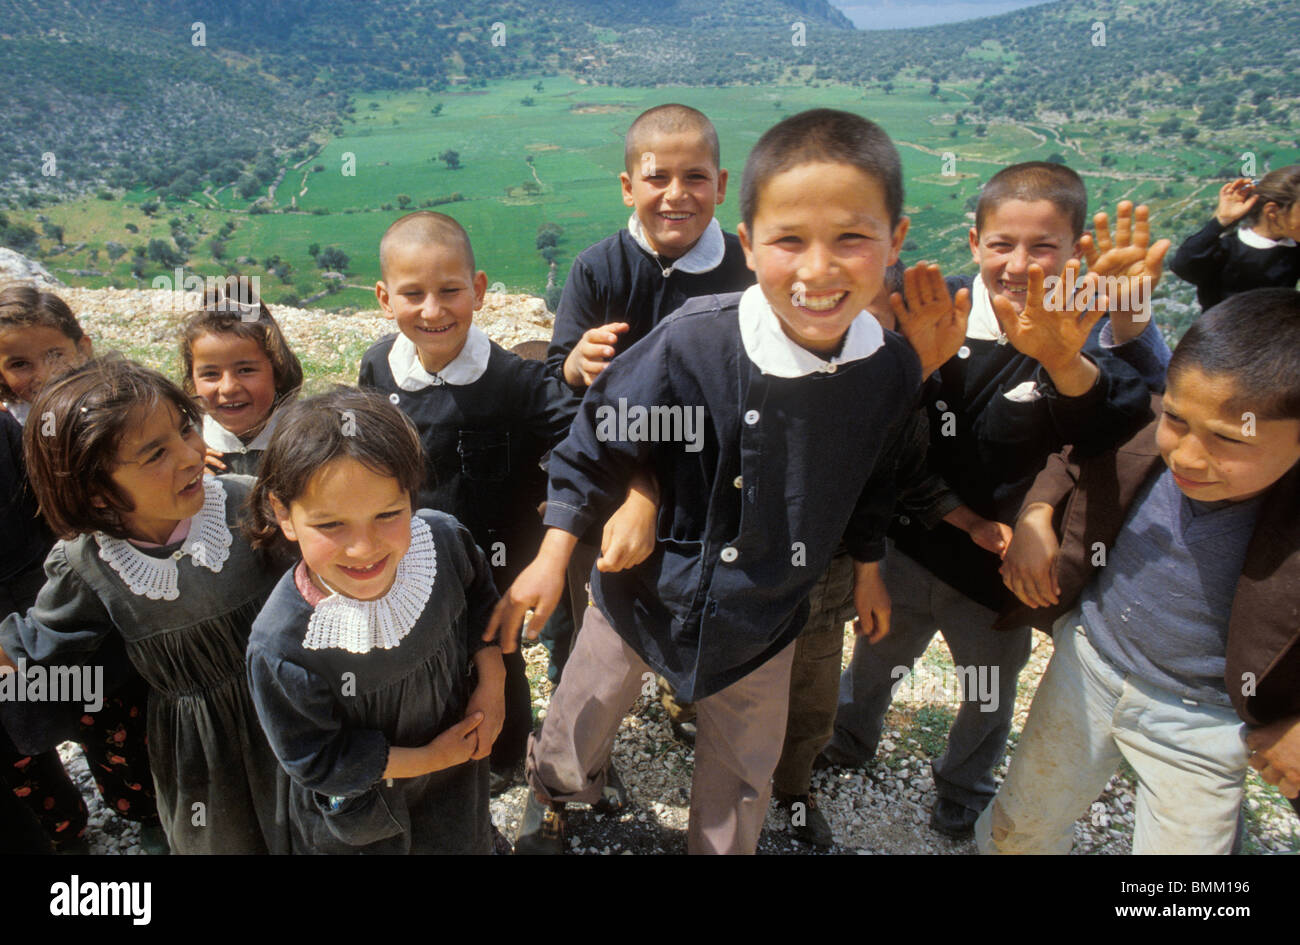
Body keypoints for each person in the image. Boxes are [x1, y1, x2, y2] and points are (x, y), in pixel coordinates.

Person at [489, 108, 930, 855]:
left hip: (765, 609)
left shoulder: (888, 369)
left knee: (742, 762)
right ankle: (556, 794)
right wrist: (555, 549)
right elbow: (598, 436)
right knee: (584, 709)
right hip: (644, 584)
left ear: (896, 239)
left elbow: (874, 473)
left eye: (851, 238)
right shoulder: (691, 340)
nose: (818, 270)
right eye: (790, 240)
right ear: (750, 245)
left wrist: (869, 567)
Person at [821, 162, 1167, 839]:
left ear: (1075, 253)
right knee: (876, 656)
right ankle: (849, 739)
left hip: (1002, 566)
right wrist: (913, 363)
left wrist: (1074, 359)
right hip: (912, 539)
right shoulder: (931, 310)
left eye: (1044, 247)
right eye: (1002, 243)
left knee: (986, 686)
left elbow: (1122, 429)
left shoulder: (1081, 326)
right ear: (974, 240)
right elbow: (871, 423)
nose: (1019, 263)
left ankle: (964, 783)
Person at [983, 287, 1300, 853]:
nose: (1188, 456)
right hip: (1089, 668)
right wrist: (1036, 514)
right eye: (1177, 419)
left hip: (1204, 721)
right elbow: (1081, 451)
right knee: (1021, 823)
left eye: (1229, 440)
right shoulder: (1144, 432)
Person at [0, 358, 290, 853]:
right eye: (156, 453)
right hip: (200, 746)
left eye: (185, 429)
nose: (190, 455)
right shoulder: (88, 564)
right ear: (94, 489)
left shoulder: (249, 504)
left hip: (287, 710)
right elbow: (38, 647)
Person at [358, 210, 581, 792]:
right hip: (409, 557)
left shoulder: (515, 382)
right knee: (428, 649)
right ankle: (440, 746)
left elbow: (583, 437)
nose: (433, 311)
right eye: (413, 294)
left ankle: (506, 755)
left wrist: (561, 509)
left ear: (478, 290)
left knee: (498, 655)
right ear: (384, 298)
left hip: (496, 563)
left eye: (450, 291)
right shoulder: (380, 366)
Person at [543, 104, 753, 721]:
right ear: (629, 186)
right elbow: (564, 398)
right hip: (606, 478)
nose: (675, 195)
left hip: (709, 487)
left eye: (695, 177)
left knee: (692, 596)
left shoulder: (748, 273)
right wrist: (572, 366)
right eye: (657, 178)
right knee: (591, 606)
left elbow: (745, 411)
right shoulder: (598, 269)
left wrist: (656, 490)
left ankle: (681, 684)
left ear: (721, 184)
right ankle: (571, 733)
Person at [245, 389, 504, 853]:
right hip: (368, 811)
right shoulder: (283, 646)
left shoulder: (442, 544)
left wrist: (493, 680)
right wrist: (427, 758)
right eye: (331, 525)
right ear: (283, 513)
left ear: (412, 495)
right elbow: (316, 759)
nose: (363, 549)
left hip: (456, 777)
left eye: (388, 514)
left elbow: (482, 605)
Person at [0, 287, 163, 853]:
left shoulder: (102, 414)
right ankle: (66, 827)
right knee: (37, 725)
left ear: (83, 347)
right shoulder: (8, 431)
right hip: (27, 611)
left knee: (119, 716)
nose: (39, 374)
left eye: (54, 355)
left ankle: (149, 813)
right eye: (18, 362)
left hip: (100, 605)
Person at [182, 290, 304, 476]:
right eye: (211, 374)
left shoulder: (306, 438)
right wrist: (185, 476)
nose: (229, 388)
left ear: (278, 373)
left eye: (246, 370)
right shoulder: (181, 442)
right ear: (192, 381)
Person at [1171, 167, 1300, 310]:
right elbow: (1183, 265)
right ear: (1272, 211)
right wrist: (1221, 221)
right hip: (1225, 330)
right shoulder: (1226, 251)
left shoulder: (1293, 247)